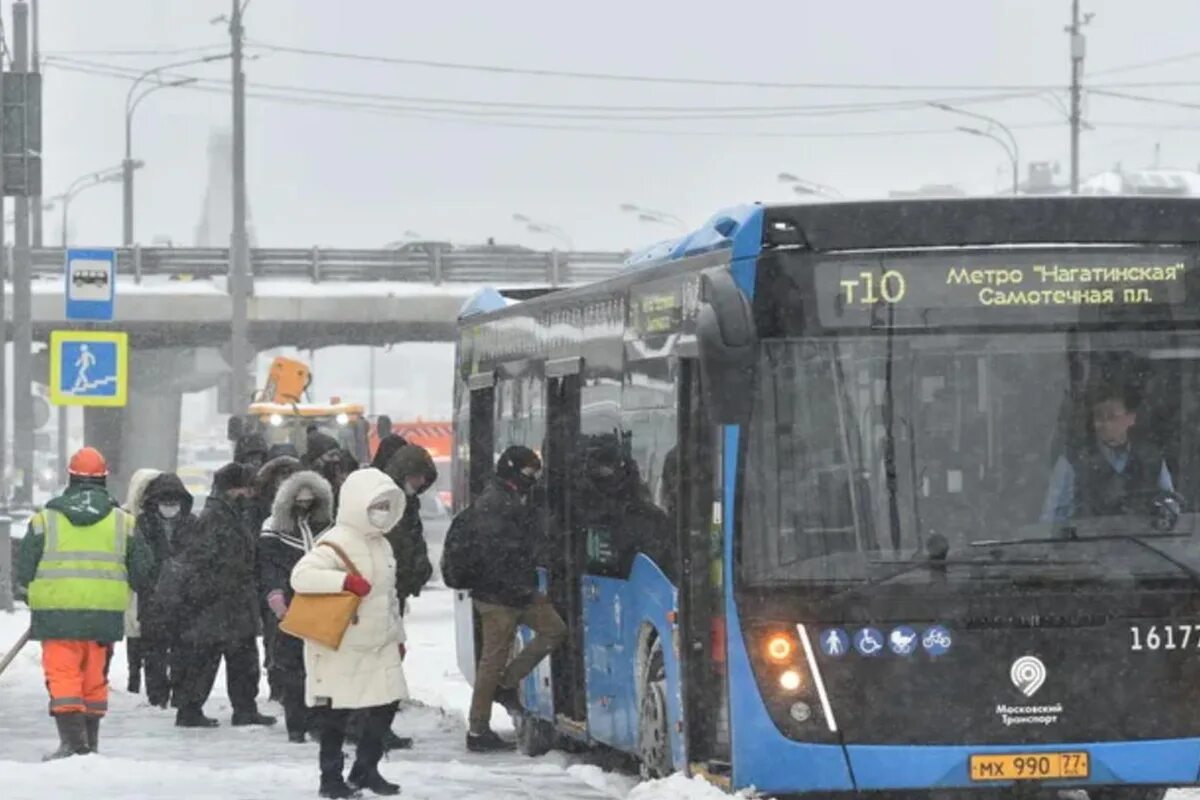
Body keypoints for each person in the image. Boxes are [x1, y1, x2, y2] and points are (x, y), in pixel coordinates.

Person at [15, 447, 155, 759]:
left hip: (56, 616)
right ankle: (89, 744)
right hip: (103, 618)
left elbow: (24, 568)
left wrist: (32, 595)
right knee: (94, 679)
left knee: (63, 677)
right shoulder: (124, 522)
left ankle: (71, 743)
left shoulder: (45, 520)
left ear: (71, 477)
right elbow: (144, 570)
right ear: (104, 479)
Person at [291, 468, 407, 798]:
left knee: (386, 704)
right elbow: (301, 576)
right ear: (358, 504)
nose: (382, 513)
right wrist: (343, 581)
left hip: (379, 643)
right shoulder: (336, 541)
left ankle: (366, 768)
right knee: (335, 715)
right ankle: (330, 779)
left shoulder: (383, 546)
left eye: (387, 505)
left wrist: (398, 637)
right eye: (376, 505)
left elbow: (390, 597)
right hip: (342, 643)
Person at [467, 446, 567, 753]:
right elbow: (499, 553)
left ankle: (506, 685)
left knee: (554, 630)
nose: (532, 479)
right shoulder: (495, 503)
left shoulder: (510, 498)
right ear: (512, 470)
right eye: (528, 473)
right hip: (498, 596)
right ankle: (477, 730)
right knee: (491, 662)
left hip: (517, 591)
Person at [169, 463, 276, 728]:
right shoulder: (214, 518)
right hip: (217, 603)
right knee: (205, 658)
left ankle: (245, 709)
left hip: (235, 601)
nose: (250, 493)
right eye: (246, 487)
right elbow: (202, 561)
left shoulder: (233, 514)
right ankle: (190, 710)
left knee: (243, 659)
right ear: (232, 489)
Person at [345, 442, 436, 752]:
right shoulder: (388, 502)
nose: (422, 484)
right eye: (418, 477)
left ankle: (369, 724)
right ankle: (367, 726)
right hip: (380, 594)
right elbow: (390, 549)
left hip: (388, 592)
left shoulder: (401, 502)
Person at [259, 469, 334, 742]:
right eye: (299, 503)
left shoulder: (330, 528)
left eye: (310, 503)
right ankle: (296, 723)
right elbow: (268, 565)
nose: (304, 508)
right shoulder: (274, 527)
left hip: (324, 604)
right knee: (291, 667)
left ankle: (317, 721)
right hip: (289, 604)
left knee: (321, 666)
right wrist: (275, 595)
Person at [1041, 383, 1174, 523]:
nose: (1105, 424)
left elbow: (1171, 510)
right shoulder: (1072, 461)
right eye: (1099, 417)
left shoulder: (1152, 460)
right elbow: (1050, 520)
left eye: (1112, 417)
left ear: (1131, 418)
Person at [133, 473, 194, 709]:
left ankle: (179, 694)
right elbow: (138, 560)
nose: (170, 507)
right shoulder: (144, 524)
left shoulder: (192, 524)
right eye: (164, 501)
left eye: (174, 501)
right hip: (153, 598)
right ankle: (157, 696)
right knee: (154, 652)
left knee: (182, 651)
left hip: (183, 599)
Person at [254, 454, 304, 703]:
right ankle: (278, 686)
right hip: (272, 580)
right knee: (275, 636)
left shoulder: (305, 507)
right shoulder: (261, 507)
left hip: (298, 580)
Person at [121, 468, 162, 697]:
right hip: (132, 584)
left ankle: (149, 681)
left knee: (150, 632)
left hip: (153, 582)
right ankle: (133, 677)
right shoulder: (126, 517)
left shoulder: (159, 518)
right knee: (133, 631)